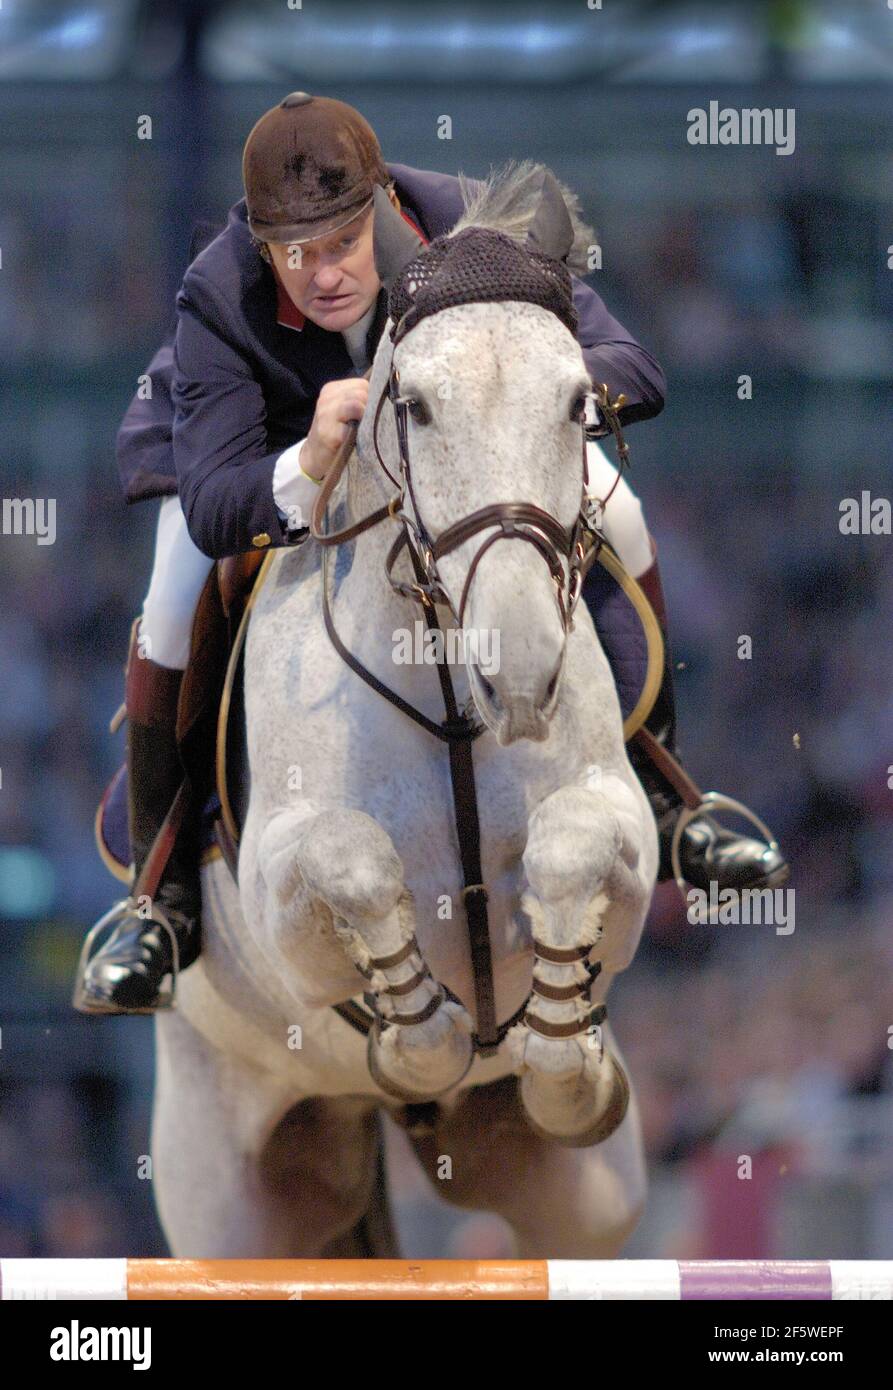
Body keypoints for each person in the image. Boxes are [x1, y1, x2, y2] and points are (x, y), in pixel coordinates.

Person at [74, 93, 787, 1015]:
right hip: (270, 450)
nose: (322, 276)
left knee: (628, 514)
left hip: (464, 440)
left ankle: (666, 795)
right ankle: (160, 897)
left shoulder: (474, 228)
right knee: (171, 600)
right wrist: (309, 458)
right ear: (259, 247)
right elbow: (215, 506)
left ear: (376, 209)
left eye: (340, 245)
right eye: (294, 257)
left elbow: (629, 364)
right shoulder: (218, 293)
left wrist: (537, 394)